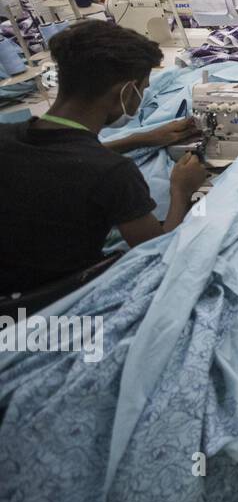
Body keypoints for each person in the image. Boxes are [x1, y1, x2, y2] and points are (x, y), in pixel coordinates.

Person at [0, 22, 206, 306]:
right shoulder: (113, 174)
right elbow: (157, 254)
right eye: (143, 89)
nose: (142, 96)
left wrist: (138, 139)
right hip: (53, 301)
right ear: (125, 92)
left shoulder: (7, 135)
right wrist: (180, 191)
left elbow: (63, 154)